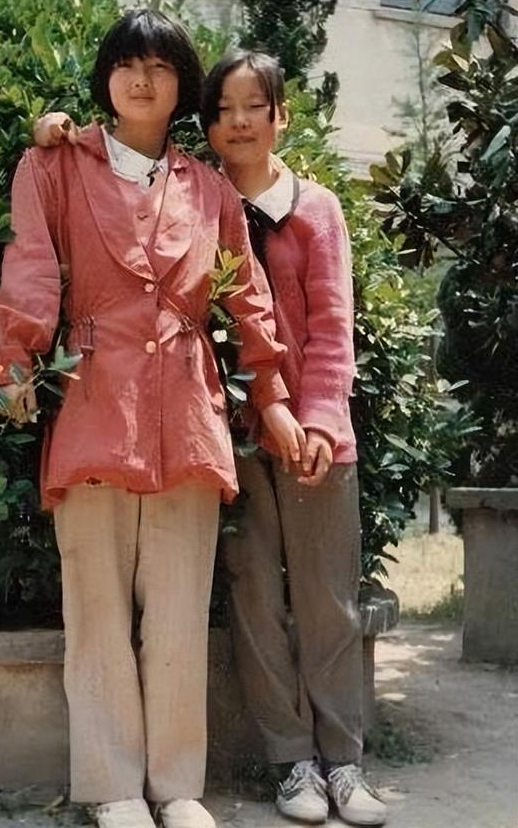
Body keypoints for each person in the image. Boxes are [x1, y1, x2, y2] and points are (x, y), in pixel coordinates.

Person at [0, 11, 306, 828]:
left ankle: (176, 786)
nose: (142, 79)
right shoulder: (53, 164)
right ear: (105, 76)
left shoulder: (209, 190)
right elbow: (31, 268)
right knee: (95, 610)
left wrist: (272, 396)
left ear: (182, 85)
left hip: (188, 413)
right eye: (127, 63)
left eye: (161, 67)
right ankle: (112, 787)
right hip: (94, 403)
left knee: (177, 612)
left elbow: (248, 299)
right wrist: (17, 359)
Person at [201, 50, 387, 827]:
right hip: (234, 437)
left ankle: (344, 761)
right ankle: (292, 763)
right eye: (223, 109)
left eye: (254, 106)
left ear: (280, 115)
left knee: (327, 600)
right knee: (253, 594)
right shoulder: (197, 202)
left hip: (315, 437)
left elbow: (334, 327)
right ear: (207, 125)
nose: (239, 122)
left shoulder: (318, 209)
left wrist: (319, 422)